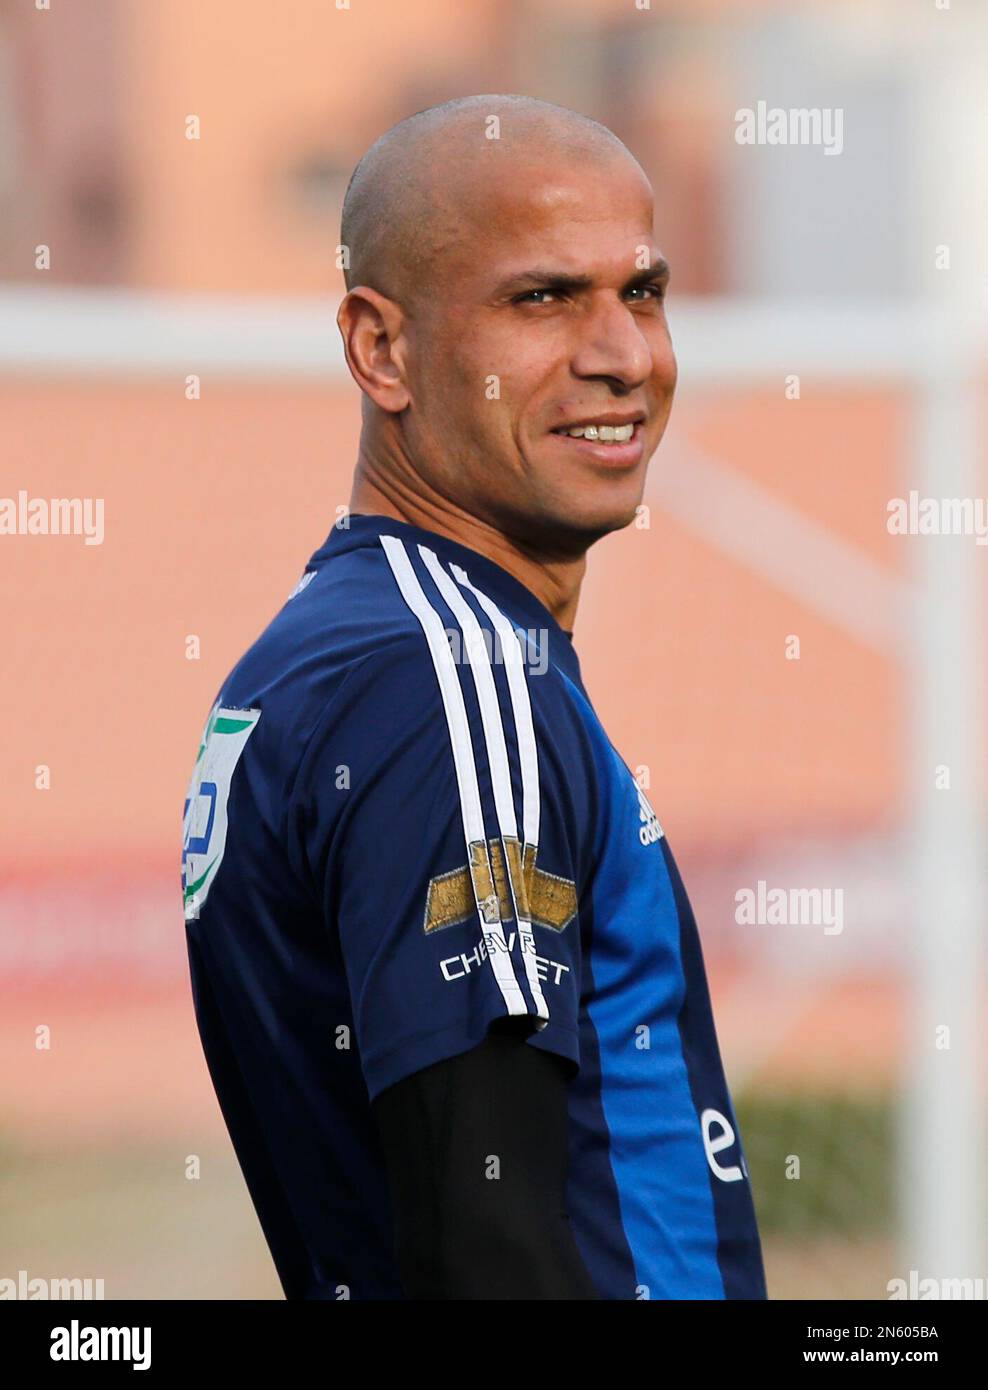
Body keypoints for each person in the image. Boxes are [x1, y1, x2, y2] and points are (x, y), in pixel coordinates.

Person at [181, 93, 767, 1300]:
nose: (624, 355)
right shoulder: (451, 674)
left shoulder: (340, 647)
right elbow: (483, 1233)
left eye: (642, 293)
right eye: (542, 298)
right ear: (380, 349)